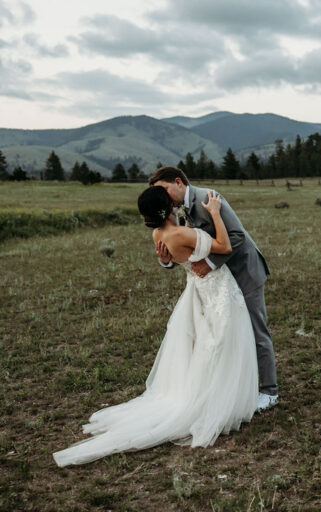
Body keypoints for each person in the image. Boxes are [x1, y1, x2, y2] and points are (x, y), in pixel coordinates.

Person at [54, 187, 257, 466]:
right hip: (216, 291)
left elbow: (177, 256)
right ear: (169, 207)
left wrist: (166, 257)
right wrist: (214, 214)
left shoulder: (158, 235)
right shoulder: (180, 234)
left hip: (196, 291)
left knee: (205, 344)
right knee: (219, 343)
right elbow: (225, 246)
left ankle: (207, 390)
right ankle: (214, 398)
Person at [149, 167, 278, 412]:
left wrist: (209, 264)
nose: (163, 197)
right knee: (219, 334)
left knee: (256, 330)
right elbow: (183, 249)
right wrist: (165, 260)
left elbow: (237, 236)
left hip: (243, 272)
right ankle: (234, 385)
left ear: (178, 182)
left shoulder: (209, 197)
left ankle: (270, 391)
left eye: (164, 190)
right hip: (216, 284)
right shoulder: (172, 211)